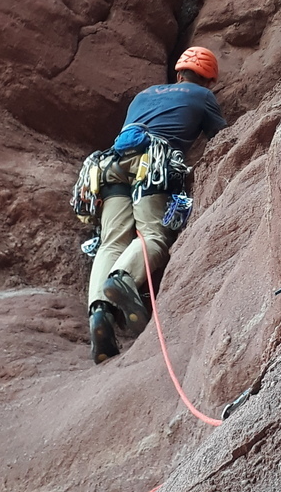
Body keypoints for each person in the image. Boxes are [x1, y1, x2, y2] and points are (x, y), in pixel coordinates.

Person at [78, 47, 226, 363]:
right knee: (153, 236)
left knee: (111, 241)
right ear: (209, 81)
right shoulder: (202, 97)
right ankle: (123, 279)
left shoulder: (143, 96)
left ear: (178, 73)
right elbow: (222, 136)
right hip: (152, 165)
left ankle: (99, 311)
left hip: (110, 166)